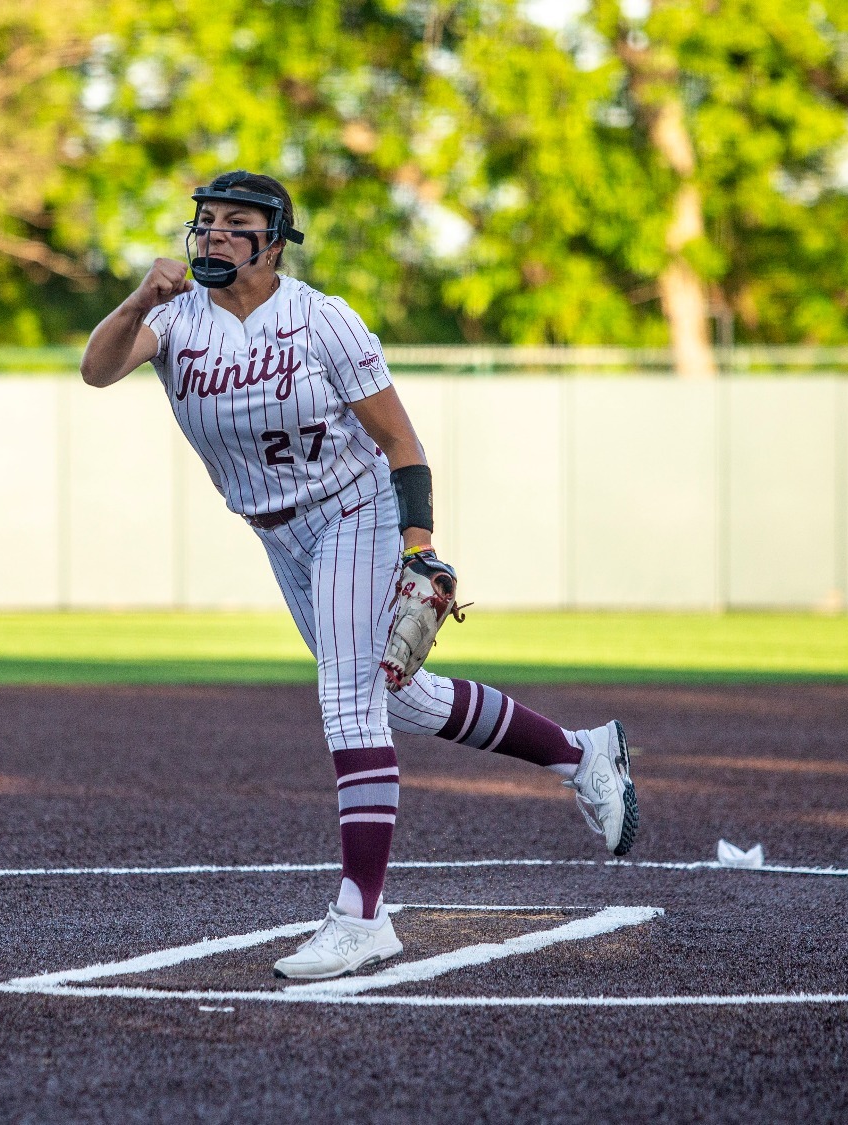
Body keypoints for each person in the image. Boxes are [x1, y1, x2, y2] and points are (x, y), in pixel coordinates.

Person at [79, 171, 638, 981]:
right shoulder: (172, 317)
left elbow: (402, 443)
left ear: (276, 241)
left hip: (354, 509)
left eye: (239, 224)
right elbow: (97, 370)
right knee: (397, 694)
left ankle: (362, 915)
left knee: (347, 698)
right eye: (206, 223)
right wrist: (134, 299)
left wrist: (418, 546)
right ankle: (582, 754)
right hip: (277, 533)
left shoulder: (323, 321)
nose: (215, 236)